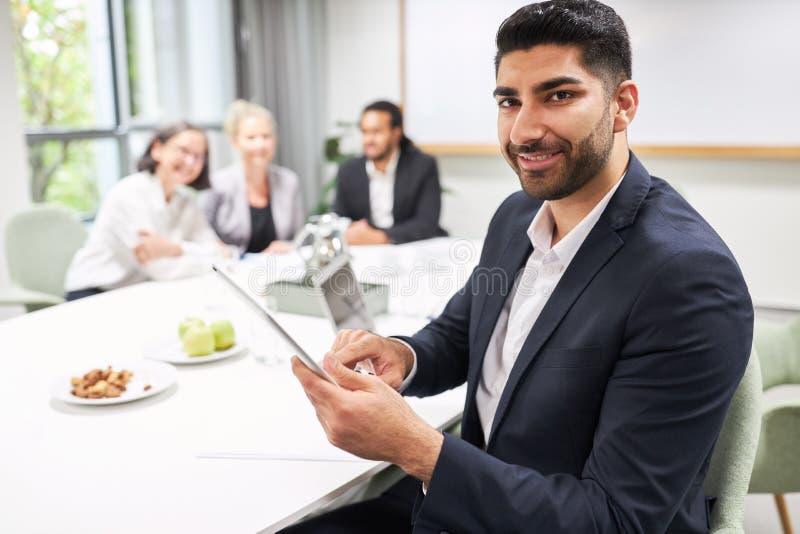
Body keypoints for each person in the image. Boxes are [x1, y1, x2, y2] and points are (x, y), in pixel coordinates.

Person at [285, 1, 754, 533]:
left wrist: (417, 449)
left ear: (622, 105)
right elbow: (463, 334)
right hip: (475, 496)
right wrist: (403, 356)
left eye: (559, 95)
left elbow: (617, 521)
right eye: (509, 101)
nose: (524, 130)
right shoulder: (517, 215)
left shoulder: (686, 277)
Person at [64, 122, 228, 300]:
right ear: (157, 149)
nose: (190, 162)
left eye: (199, 156)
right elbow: (160, 269)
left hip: (138, 290)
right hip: (94, 291)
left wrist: (175, 249)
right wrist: (206, 257)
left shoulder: (186, 201)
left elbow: (221, 253)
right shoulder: (129, 193)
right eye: (183, 151)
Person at [334, 100, 447, 245]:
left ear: (396, 133)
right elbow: (340, 218)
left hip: (410, 247)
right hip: (366, 251)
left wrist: (382, 237)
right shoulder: (348, 170)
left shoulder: (422, 166)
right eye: (364, 132)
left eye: (376, 132)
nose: (368, 139)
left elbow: (426, 222)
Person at [201, 100, 305, 255]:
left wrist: (288, 246)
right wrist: (222, 250)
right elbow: (200, 236)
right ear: (235, 141)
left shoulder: (289, 181)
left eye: (266, 136)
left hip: (277, 271)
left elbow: (299, 238)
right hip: (230, 271)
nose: (260, 145)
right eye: (251, 138)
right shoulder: (216, 183)